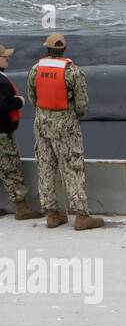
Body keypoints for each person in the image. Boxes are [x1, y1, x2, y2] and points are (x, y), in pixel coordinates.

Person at [27, 34, 105, 230]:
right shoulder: (73, 72)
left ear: (47, 49)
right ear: (64, 50)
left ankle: (52, 214)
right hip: (66, 126)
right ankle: (81, 215)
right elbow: (82, 105)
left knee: (45, 167)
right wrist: (70, 116)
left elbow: (32, 98)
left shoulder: (36, 70)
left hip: (42, 124)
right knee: (72, 167)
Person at [0, 44, 42, 220]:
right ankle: (22, 208)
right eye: (4, 56)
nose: (7, 58)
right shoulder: (1, 82)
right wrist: (19, 101)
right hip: (2, 133)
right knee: (11, 169)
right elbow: (3, 104)